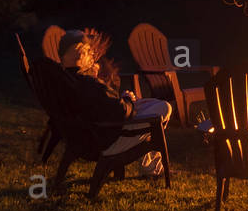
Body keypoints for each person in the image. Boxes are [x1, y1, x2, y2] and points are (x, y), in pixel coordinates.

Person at [58, 30, 172, 175]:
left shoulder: (66, 79)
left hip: (93, 131)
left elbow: (100, 104)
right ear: (77, 54)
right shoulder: (86, 83)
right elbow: (121, 111)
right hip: (109, 137)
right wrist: (127, 101)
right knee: (164, 108)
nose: (91, 55)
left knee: (151, 104)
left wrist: (118, 97)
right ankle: (150, 167)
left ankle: (150, 166)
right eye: (86, 51)